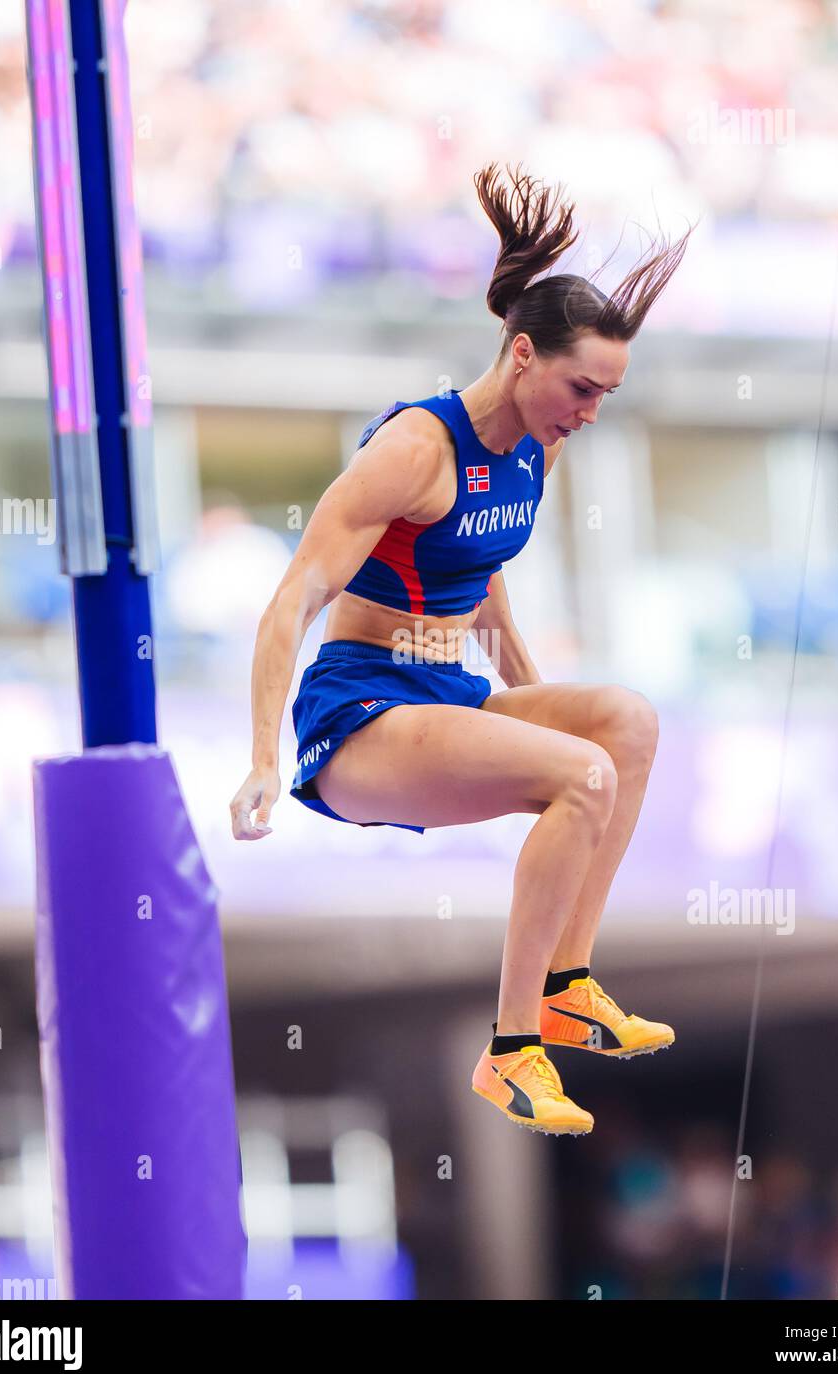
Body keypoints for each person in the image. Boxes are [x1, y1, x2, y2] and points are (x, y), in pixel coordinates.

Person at [231, 162, 693, 1136]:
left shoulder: (540, 438)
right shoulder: (413, 450)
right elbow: (291, 601)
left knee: (626, 726)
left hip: (450, 694)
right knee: (583, 776)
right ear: (522, 355)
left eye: (608, 392)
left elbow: (482, 573)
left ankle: (568, 984)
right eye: (581, 386)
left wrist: (534, 694)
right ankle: (512, 1049)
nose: (591, 411)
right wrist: (264, 759)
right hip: (358, 719)